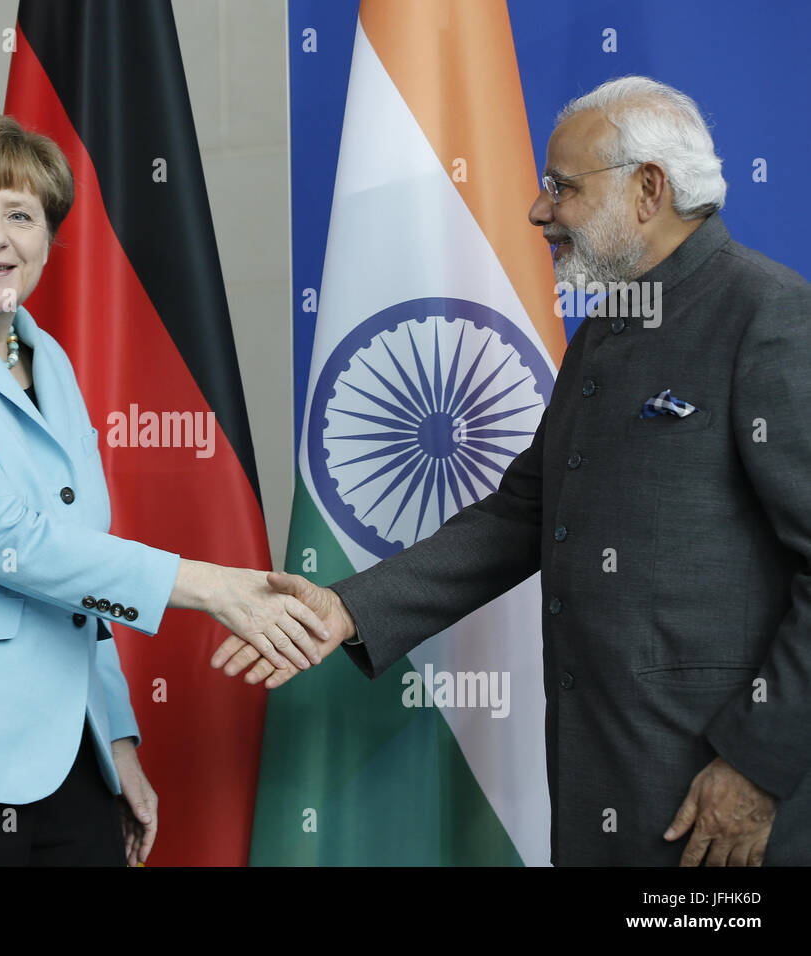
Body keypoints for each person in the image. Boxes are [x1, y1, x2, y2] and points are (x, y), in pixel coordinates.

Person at [214, 76, 811, 867]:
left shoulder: (768, 314)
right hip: (607, 781)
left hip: (716, 800)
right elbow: (523, 514)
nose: (538, 209)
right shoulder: (612, 323)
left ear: (649, 189)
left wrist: (758, 766)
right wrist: (347, 609)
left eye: (561, 187)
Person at [0, 113, 328, 867]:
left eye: (21, 216)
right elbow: (7, 542)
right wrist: (213, 588)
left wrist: (117, 744)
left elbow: (79, 568)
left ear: (46, 240)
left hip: (55, 755)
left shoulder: (49, 361)